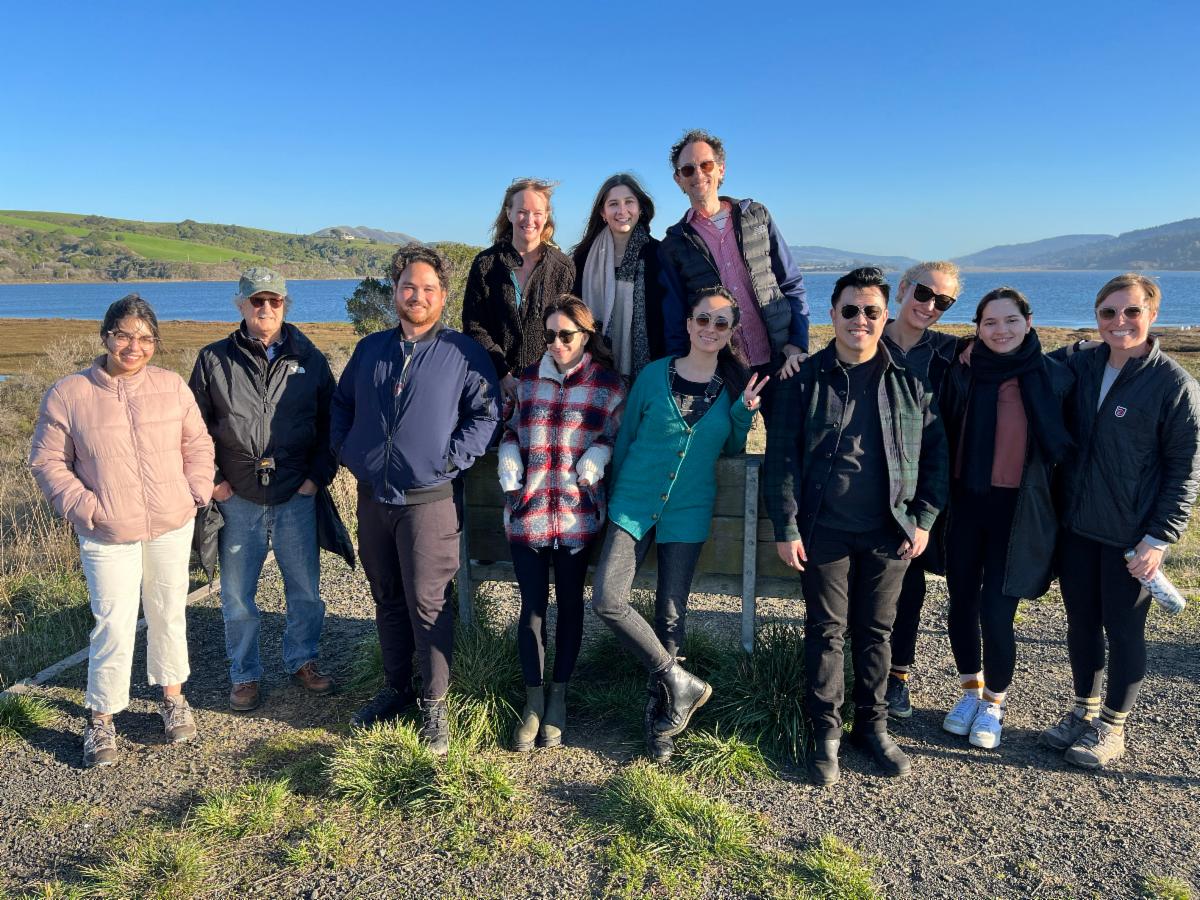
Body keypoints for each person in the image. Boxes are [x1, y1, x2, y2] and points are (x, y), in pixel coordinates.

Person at [763, 267, 948, 786]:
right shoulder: (802, 380)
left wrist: (925, 520)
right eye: (850, 310)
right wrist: (787, 526)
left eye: (871, 311)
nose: (860, 321)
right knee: (825, 632)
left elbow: (935, 457)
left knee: (876, 633)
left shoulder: (911, 382)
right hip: (822, 529)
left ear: (884, 316)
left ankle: (872, 726)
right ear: (833, 315)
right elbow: (781, 460)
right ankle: (825, 732)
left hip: (890, 530)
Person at [30, 294, 215, 767]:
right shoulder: (69, 393)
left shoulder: (172, 386)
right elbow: (49, 461)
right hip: (106, 531)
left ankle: (173, 698)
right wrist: (85, 508)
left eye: (146, 338)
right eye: (125, 335)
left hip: (171, 524)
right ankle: (101, 719)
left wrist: (194, 491)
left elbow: (198, 443)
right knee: (112, 622)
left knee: (168, 611)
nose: (135, 346)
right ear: (106, 337)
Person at [332, 243, 500, 754]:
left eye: (428, 289)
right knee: (386, 596)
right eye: (409, 287)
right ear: (396, 292)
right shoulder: (370, 349)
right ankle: (396, 688)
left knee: (428, 603)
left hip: (429, 501)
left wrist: (448, 460)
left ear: (442, 297)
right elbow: (342, 405)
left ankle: (435, 706)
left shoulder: (461, 352)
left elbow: (486, 415)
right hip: (374, 498)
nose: (417, 296)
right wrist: (348, 450)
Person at [592, 286, 768, 763]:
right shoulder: (654, 375)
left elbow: (730, 447)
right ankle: (679, 681)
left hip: (688, 514)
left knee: (672, 618)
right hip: (632, 504)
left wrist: (743, 413)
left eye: (721, 323)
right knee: (608, 599)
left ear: (731, 333)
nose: (710, 329)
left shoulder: (733, 385)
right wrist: (611, 497)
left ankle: (663, 720)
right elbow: (626, 437)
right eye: (703, 319)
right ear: (689, 323)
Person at [1040, 273, 1200, 769]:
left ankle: (1112, 726)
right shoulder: (1084, 364)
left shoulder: (1174, 384)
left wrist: (1159, 538)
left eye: (1131, 311)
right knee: (1081, 624)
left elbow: (1185, 469)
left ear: (1152, 313)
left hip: (1132, 538)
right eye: (1108, 313)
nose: (1119, 322)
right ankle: (1083, 712)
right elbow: (1027, 364)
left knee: (1125, 630)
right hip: (1077, 528)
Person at [188, 267, 338, 712]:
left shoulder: (309, 357)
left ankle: (302, 660)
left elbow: (333, 422)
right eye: (257, 301)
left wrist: (318, 477)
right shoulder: (213, 359)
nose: (266, 309)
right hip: (238, 499)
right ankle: (245, 674)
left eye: (274, 301)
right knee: (236, 596)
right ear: (240, 305)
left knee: (306, 590)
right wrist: (213, 482)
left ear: (285, 305)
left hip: (296, 495)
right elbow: (191, 429)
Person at [936, 288, 1073, 749]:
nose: (1001, 331)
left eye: (1010, 320)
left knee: (997, 613)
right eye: (990, 322)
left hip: (1019, 512)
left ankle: (994, 703)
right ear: (976, 327)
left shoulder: (1052, 375)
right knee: (961, 605)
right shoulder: (962, 371)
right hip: (964, 505)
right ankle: (970, 692)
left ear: (1029, 322)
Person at [499, 297, 625, 751]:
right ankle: (533, 700)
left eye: (565, 335)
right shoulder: (529, 381)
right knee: (532, 608)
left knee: (570, 606)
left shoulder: (609, 387)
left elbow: (615, 436)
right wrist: (510, 454)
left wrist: (600, 453)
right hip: (528, 514)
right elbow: (511, 428)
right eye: (549, 335)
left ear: (585, 336)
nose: (555, 343)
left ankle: (559, 697)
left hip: (576, 517)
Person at [658, 128, 809, 402]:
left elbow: (790, 283)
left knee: (786, 443)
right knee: (725, 444)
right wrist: (681, 369)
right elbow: (675, 314)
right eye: (688, 170)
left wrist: (797, 342)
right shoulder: (674, 243)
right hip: (720, 365)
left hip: (778, 358)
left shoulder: (756, 216)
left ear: (721, 170)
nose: (699, 174)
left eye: (706, 165)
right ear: (678, 180)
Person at [880, 262, 963, 718]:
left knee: (909, 584)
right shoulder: (868, 335)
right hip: (868, 482)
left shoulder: (952, 353)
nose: (929, 306)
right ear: (902, 290)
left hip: (922, 485)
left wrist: (1086, 347)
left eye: (943, 302)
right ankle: (863, 668)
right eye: (924, 293)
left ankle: (898, 677)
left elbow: (1013, 351)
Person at [462, 178, 576, 401]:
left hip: (548, 387)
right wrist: (502, 373)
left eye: (537, 213)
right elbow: (474, 325)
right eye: (522, 211)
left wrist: (546, 376)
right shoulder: (486, 264)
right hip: (491, 385)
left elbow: (570, 329)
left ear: (546, 215)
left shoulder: (563, 267)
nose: (530, 220)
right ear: (509, 213)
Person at [570, 173, 666, 381]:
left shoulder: (659, 254)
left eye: (629, 202)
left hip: (650, 367)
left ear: (640, 209)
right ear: (603, 213)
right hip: (592, 366)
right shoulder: (583, 257)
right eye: (613, 204)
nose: (622, 211)